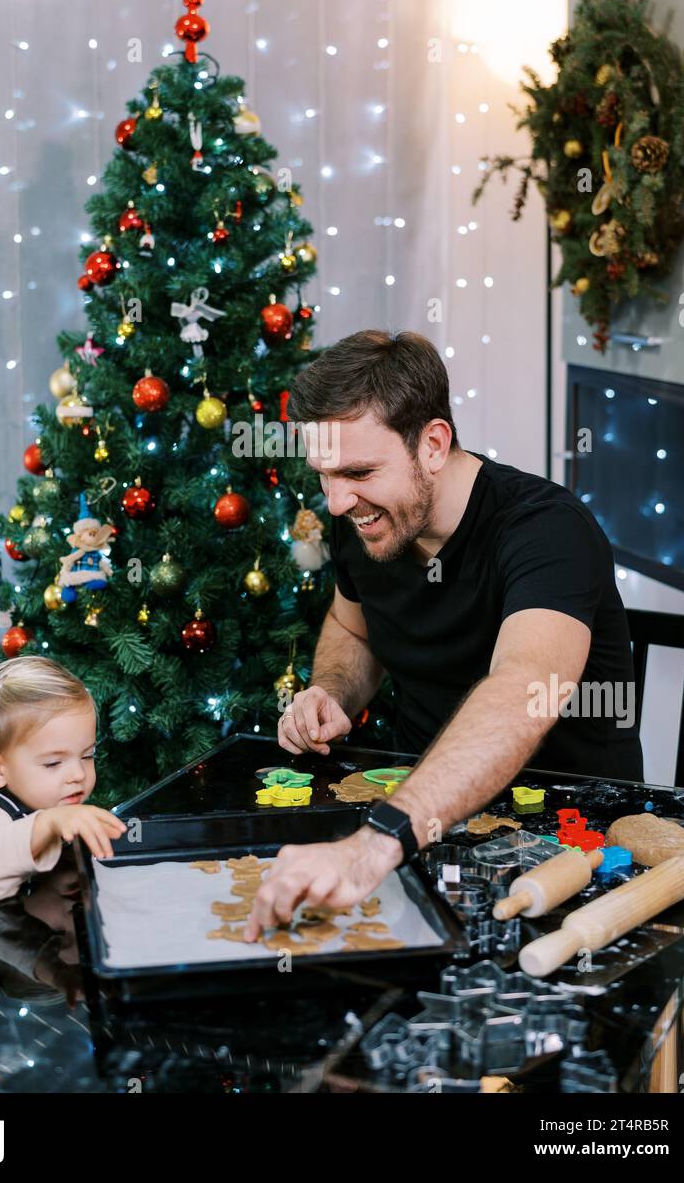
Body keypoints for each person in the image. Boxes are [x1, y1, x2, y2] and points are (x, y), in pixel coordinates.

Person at [244, 329, 641, 940]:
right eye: (323, 473)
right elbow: (352, 626)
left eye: (357, 471)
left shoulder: (547, 529)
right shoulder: (368, 518)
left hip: (571, 836)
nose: (336, 500)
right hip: (420, 817)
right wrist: (331, 691)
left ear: (433, 444)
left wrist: (378, 843)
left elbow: (522, 690)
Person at [0, 655, 125, 905]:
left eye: (87, 755)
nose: (78, 775)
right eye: (53, 763)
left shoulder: (61, 800)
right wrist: (47, 824)